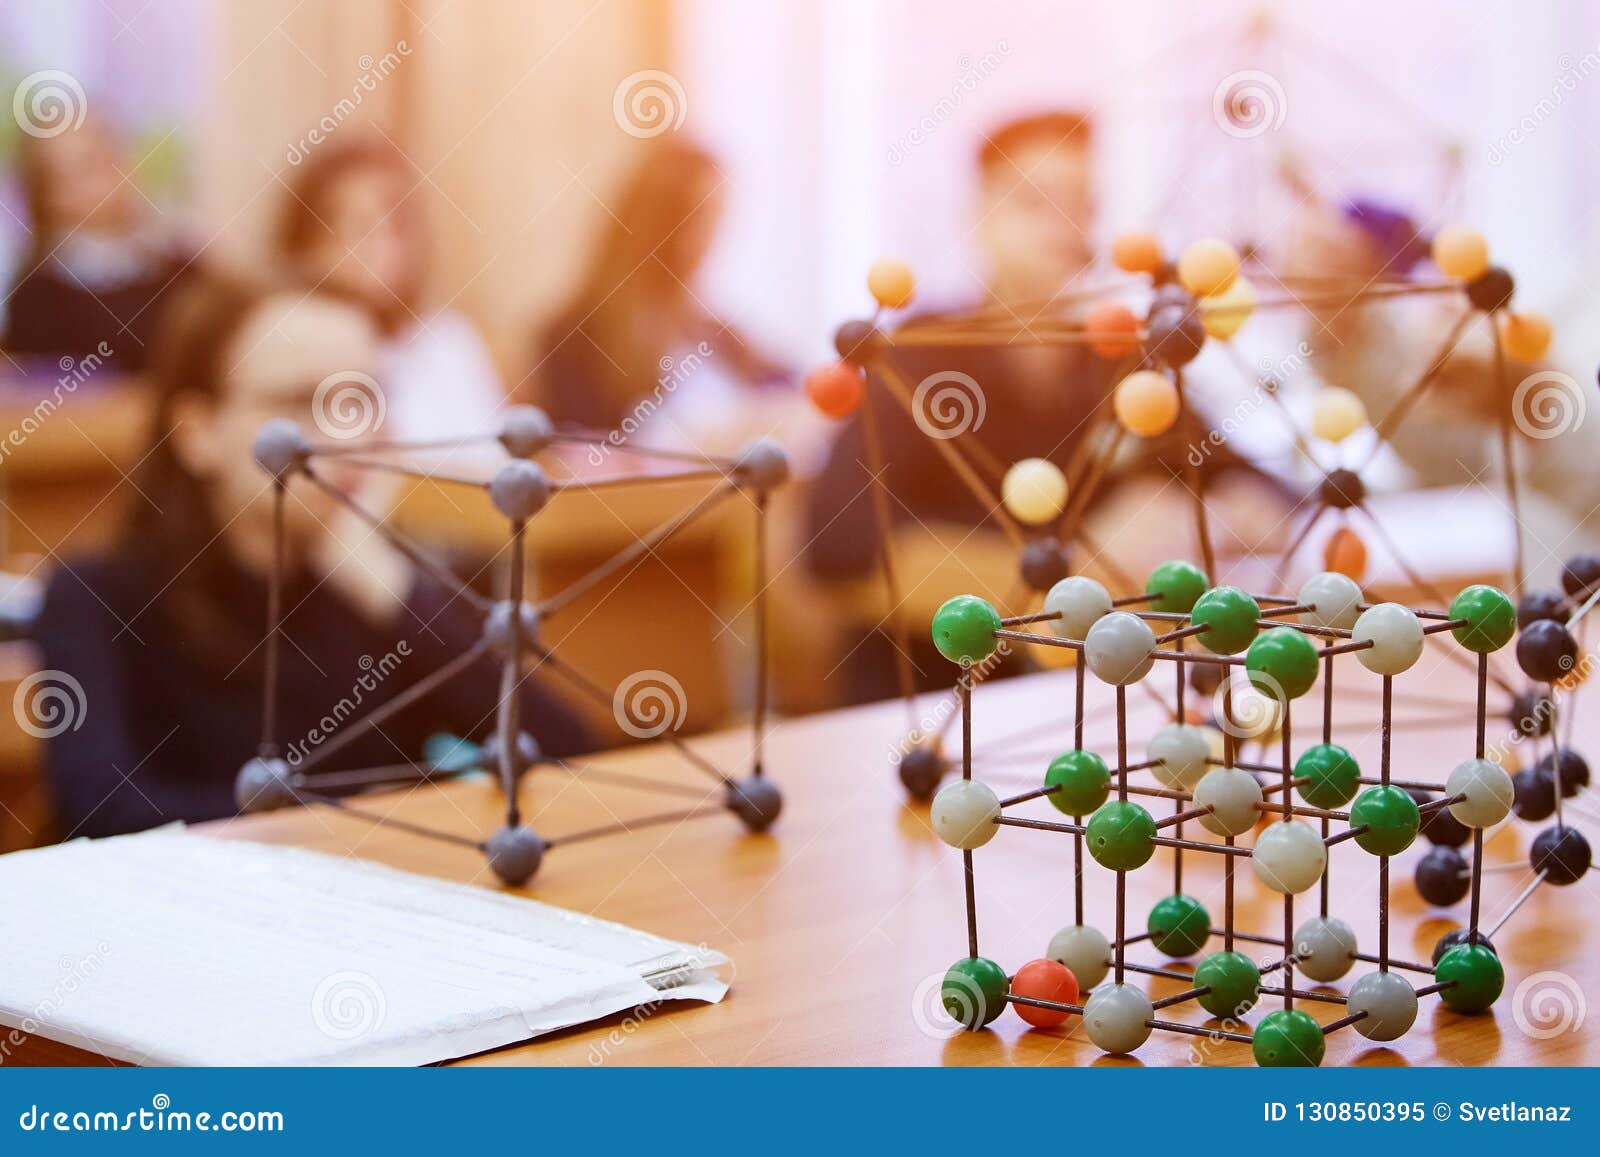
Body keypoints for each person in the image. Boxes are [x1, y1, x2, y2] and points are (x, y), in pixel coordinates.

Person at [33, 277, 591, 839]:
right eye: (301, 401)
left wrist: (393, 593)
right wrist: (357, 809)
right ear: (199, 432)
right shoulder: (98, 597)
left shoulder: (392, 591)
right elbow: (103, 816)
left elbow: (573, 756)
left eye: (363, 398)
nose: (344, 434)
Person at [805, 111, 1282, 702]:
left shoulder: (1113, 358)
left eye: (1083, 206)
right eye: (1034, 204)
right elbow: (837, 550)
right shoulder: (919, 355)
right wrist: (1079, 578)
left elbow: (1254, 486)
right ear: (979, 218)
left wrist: (1190, 510)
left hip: (1094, 707)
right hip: (936, 704)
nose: (1064, 227)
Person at [527, 138, 786, 436]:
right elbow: (583, 457)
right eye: (698, 218)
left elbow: (793, 393)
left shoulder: (717, 334)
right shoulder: (576, 340)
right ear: (657, 225)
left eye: (717, 218)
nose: (711, 238)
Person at [275, 136, 504, 442]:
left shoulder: (449, 342)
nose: (381, 247)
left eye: (396, 224)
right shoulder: (289, 354)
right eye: (357, 227)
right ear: (305, 245)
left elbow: (497, 462)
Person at [1, 116, 191, 372]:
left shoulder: (185, 268)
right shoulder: (38, 299)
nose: (114, 172)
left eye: (111, 151)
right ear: (52, 197)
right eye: (90, 165)